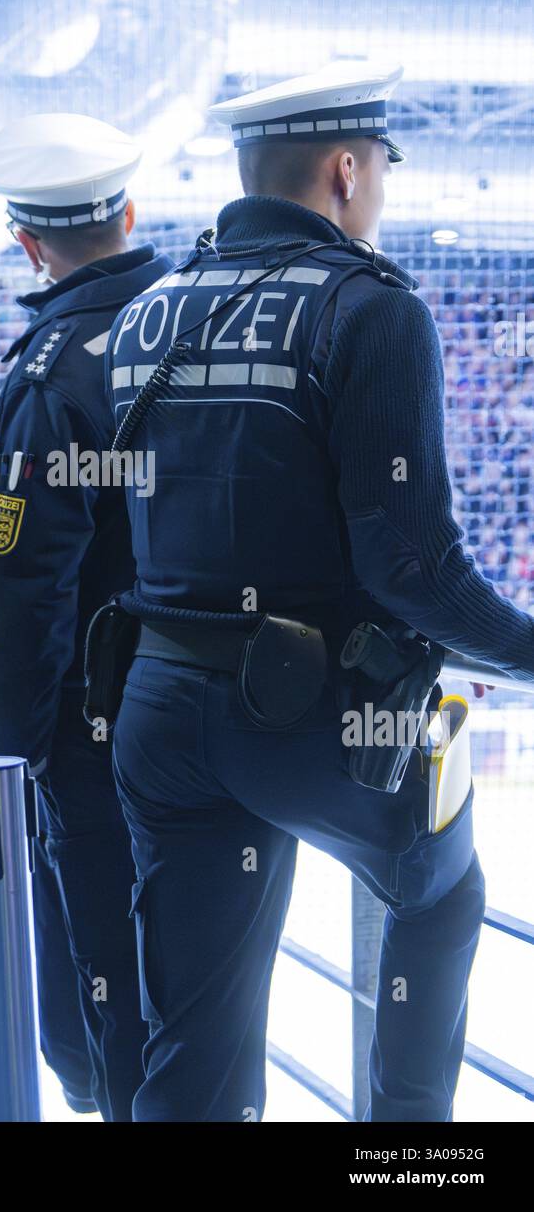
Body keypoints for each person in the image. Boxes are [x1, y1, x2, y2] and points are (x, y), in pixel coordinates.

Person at [103, 61, 534, 1122]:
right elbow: (410, 567)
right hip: (309, 720)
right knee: (438, 896)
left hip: (156, 709)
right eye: (377, 167)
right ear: (345, 170)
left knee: (194, 1036)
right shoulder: (369, 309)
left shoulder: (146, 314)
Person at [0, 113, 174, 1121]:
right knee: (198, 989)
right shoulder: (197, 323)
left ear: (26, 241)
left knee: (95, 994)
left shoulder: (54, 375)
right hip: (215, 716)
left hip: (93, 732)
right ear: (128, 212)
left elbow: (25, 593)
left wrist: (0, 773)